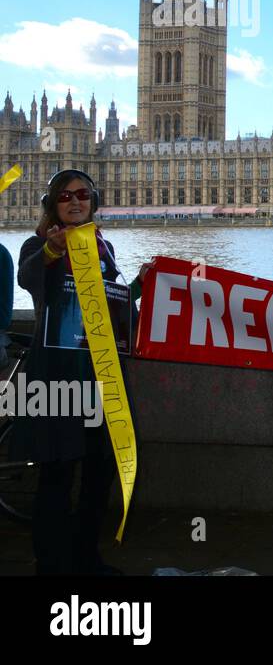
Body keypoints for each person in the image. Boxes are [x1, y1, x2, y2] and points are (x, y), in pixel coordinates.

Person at [13, 169, 152, 575]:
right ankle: (51, 564)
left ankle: (87, 559)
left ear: (93, 200)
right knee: (56, 473)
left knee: (99, 470)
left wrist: (142, 283)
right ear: (52, 204)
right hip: (56, 374)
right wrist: (52, 252)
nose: (76, 202)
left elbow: (114, 303)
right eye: (66, 196)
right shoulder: (37, 244)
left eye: (84, 195)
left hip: (101, 372)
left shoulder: (103, 247)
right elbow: (28, 277)